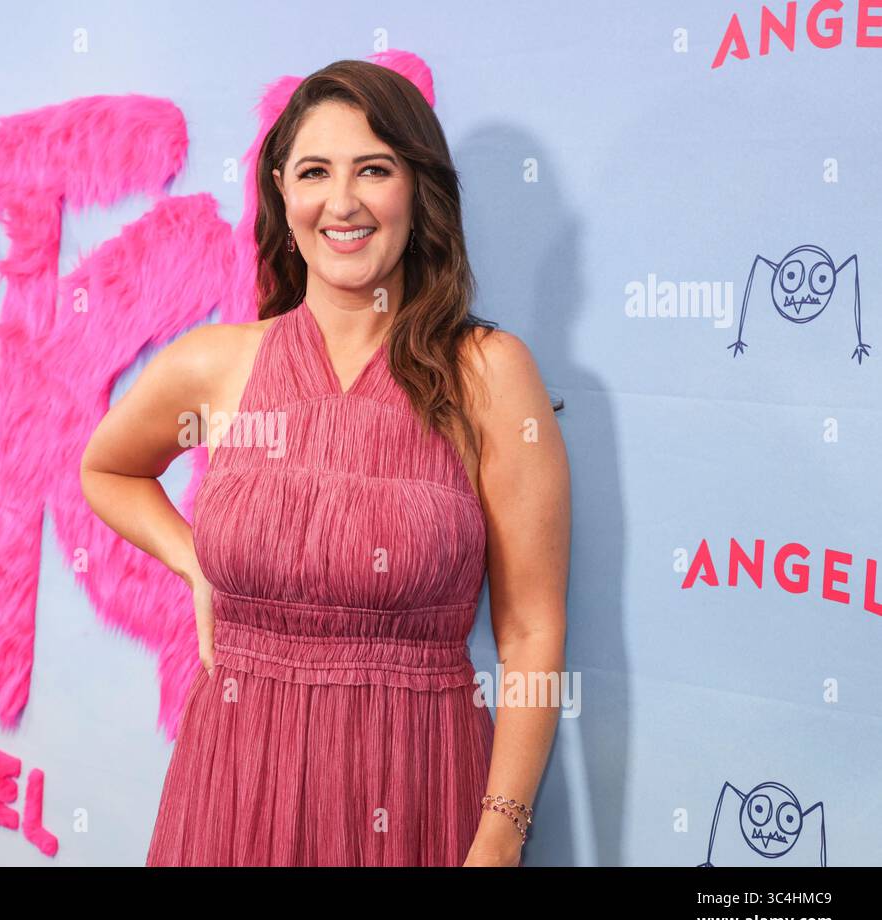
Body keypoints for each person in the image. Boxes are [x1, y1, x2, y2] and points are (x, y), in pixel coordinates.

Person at [80, 59, 569, 866]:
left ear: (417, 190)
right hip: (229, 794)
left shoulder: (488, 373)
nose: (341, 203)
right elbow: (106, 469)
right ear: (280, 191)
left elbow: (530, 630)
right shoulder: (216, 365)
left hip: (416, 796)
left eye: (374, 170)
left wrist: (499, 835)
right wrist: (196, 564)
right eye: (314, 172)